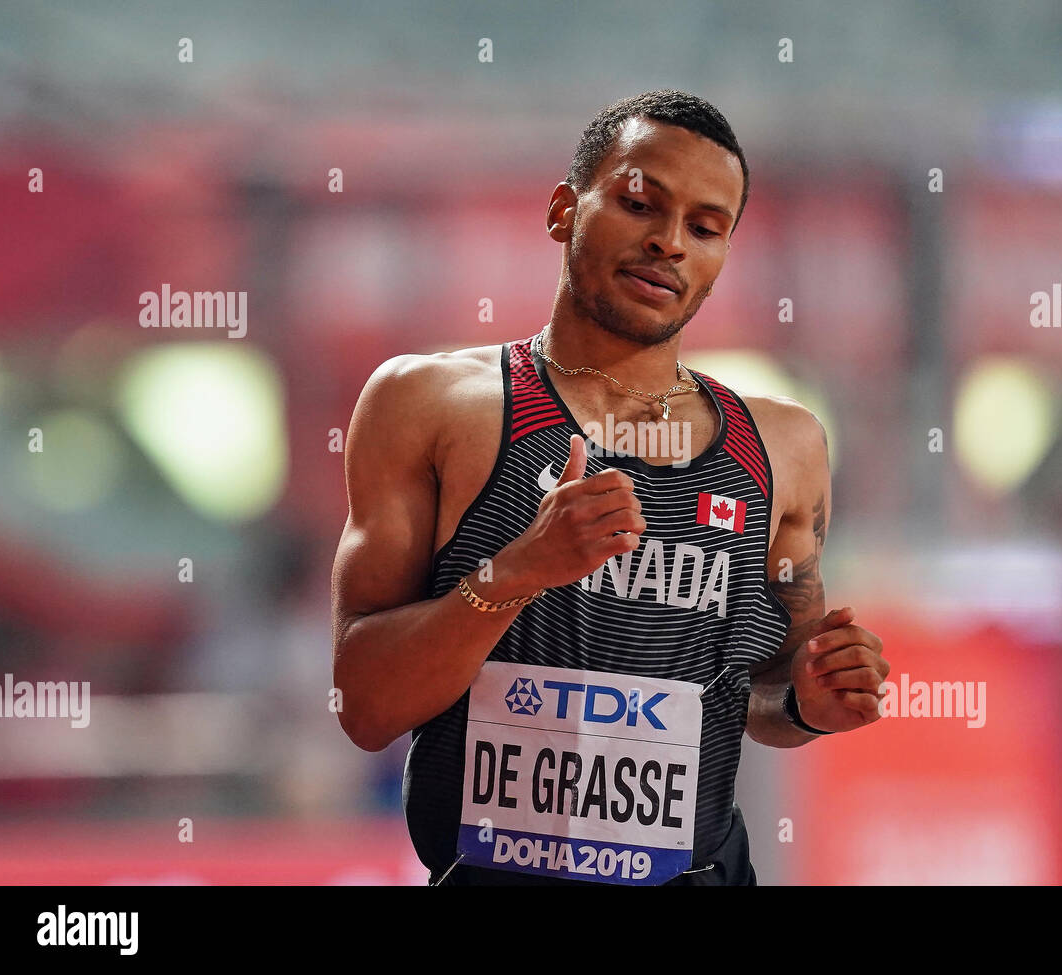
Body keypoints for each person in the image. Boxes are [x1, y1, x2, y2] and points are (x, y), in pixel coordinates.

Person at [331, 90, 889, 886]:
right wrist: (519, 570)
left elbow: (765, 693)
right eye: (638, 203)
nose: (668, 241)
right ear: (564, 210)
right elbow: (366, 706)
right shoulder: (429, 404)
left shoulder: (785, 446)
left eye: (704, 227)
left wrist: (809, 702)